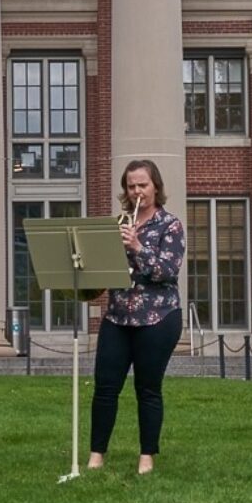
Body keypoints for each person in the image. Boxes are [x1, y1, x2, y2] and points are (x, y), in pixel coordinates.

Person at [88, 159, 185, 476]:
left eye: (142, 185)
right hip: (118, 316)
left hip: (158, 317)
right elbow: (103, 271)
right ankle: (96, 455)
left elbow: (166, 272)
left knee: (148, 388)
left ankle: (147, 456)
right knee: (105, 388)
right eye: (131, 186)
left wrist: (137, 246)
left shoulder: (170, 225)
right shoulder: (119, 222)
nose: (136, 191)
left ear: (155, 186)